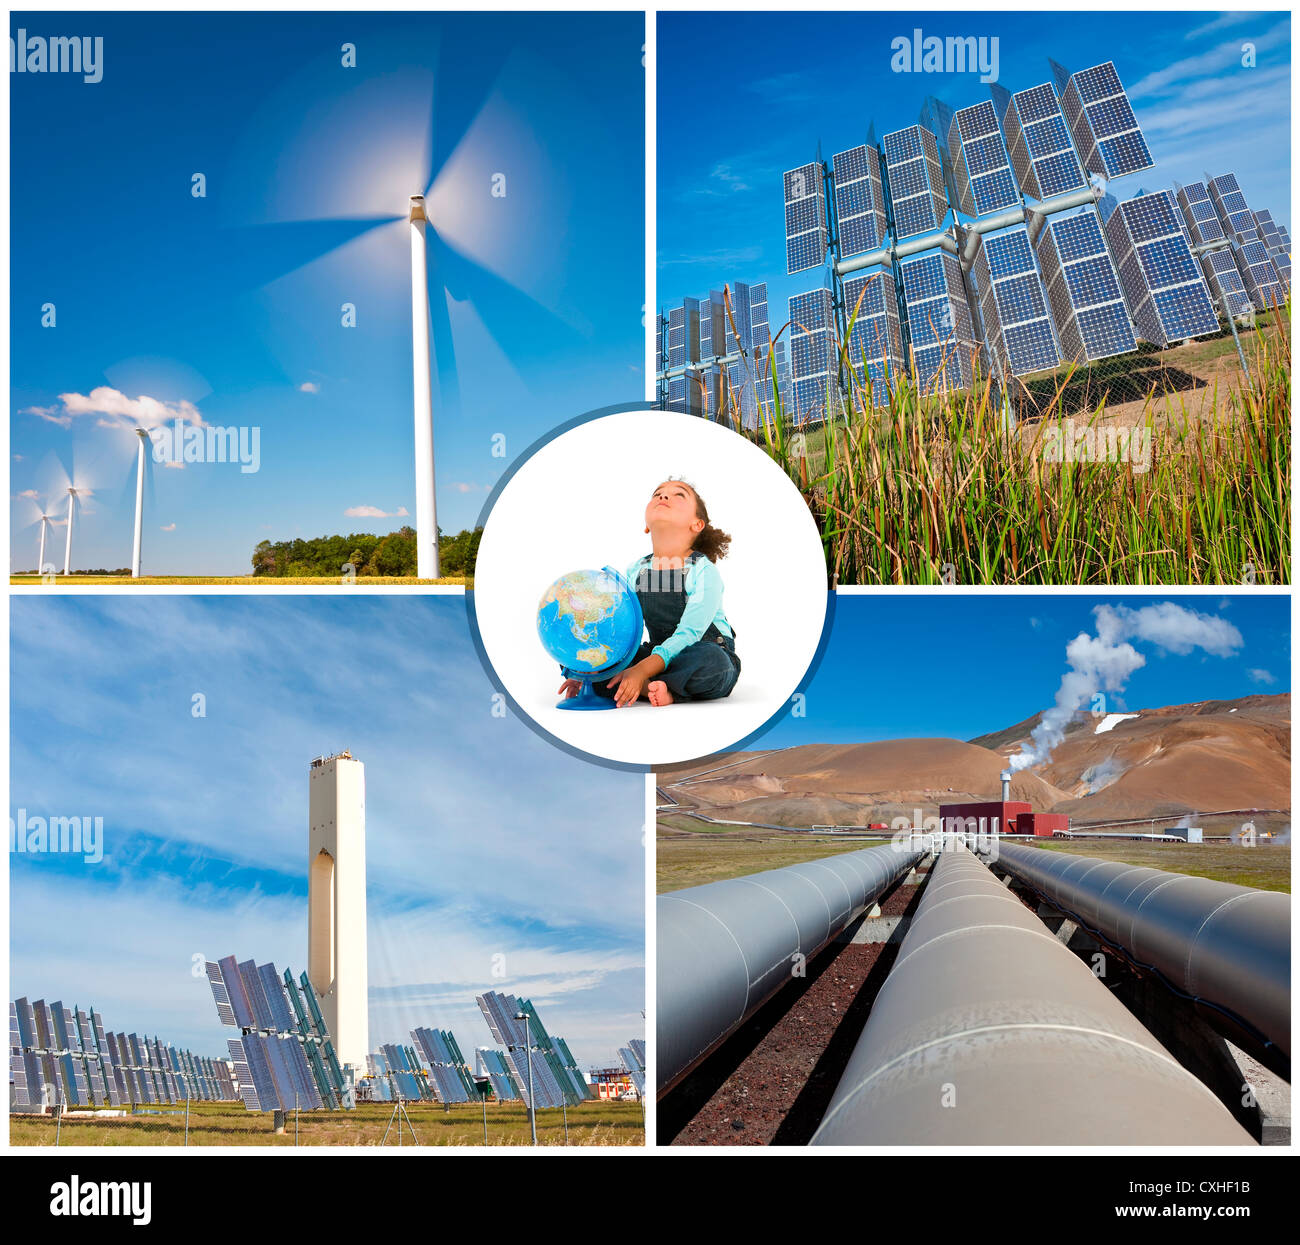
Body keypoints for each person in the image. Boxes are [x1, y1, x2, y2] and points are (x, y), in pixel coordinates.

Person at [560, 478, 740, 708]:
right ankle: (640, 684)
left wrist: (641, 671)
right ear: (646, 525)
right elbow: (622, 627)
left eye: (679, 495)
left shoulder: (703, 571)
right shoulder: (637, 570)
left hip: (698, 649)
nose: (664, 497)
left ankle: (648, 685)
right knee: (598, 651)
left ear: (697, 524)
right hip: (656, 653)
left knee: (714, 663)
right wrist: (585, 671)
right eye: (658, 494)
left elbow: (689, 633)